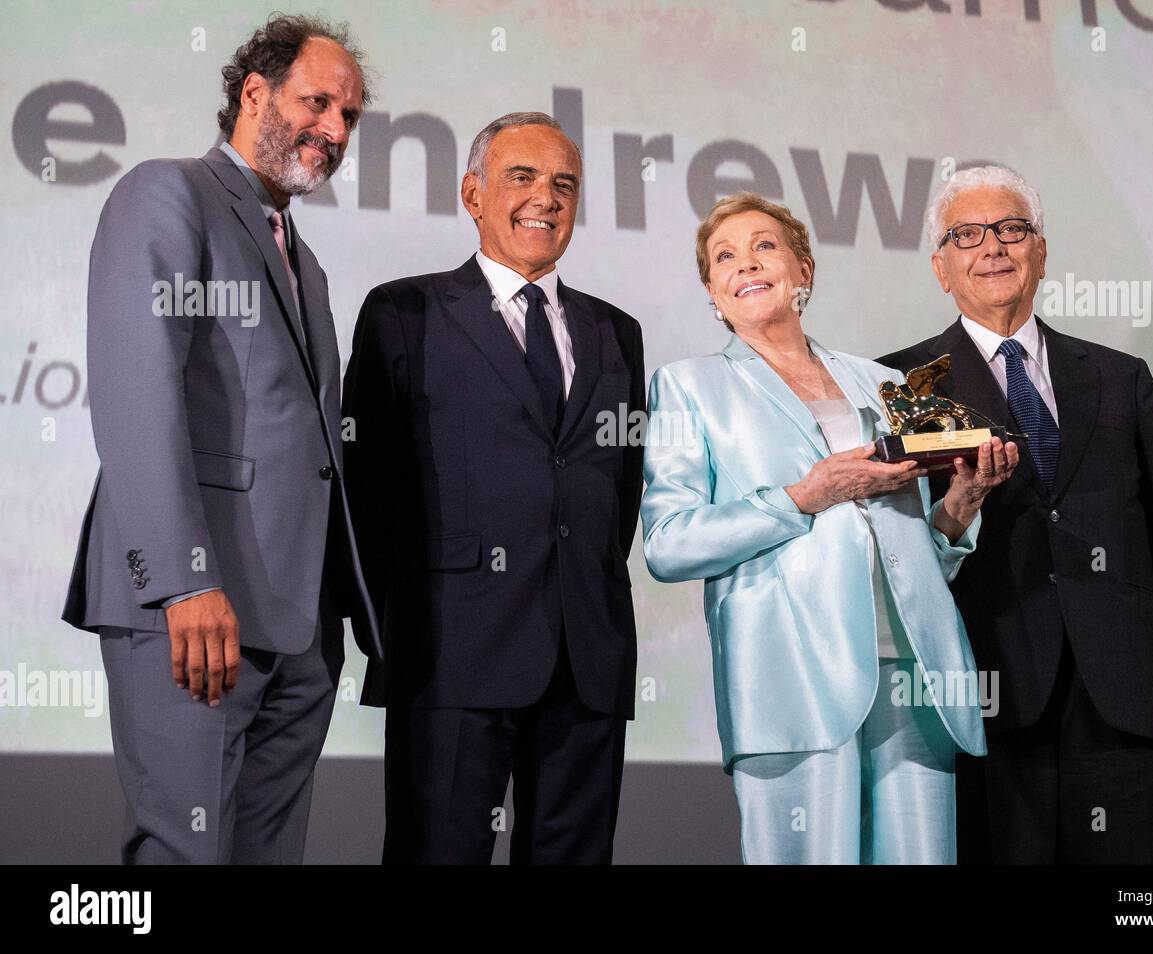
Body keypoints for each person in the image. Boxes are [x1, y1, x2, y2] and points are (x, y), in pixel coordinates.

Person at [62, 15, 380, 863]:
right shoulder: (167, 192)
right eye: (319, 103)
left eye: (350, 117)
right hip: (196, 614)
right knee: (184, 854)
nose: (335, 130)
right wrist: (182, 583)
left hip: (297, 632)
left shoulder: (301, 260)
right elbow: (137, 394)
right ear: (253, 92)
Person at [639, 192, 1016, 864]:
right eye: (724, 256)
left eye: (764, 246)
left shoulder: (880, 383)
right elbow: (669, 543)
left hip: (913, 679)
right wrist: (807, 495)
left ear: (803, 269)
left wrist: (963, 501)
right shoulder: (689, 386)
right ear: (712, 292)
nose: (746, 264)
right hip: (792, 686)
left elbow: (917, 552)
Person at [878, 165, 1153, 864]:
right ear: (941, 269)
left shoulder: (1119, 376)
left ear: (1042, 252)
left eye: (1013, 229)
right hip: (985, 686)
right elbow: (901, 548)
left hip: (1121, 693)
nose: (993, 248)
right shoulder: (904, 383)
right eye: (967, 235)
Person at [343, 112, 645, 865]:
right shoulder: (403, 312)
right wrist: (393, 629)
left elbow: (620, 493)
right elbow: (366, 488)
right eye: (522, 176)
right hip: (447, 656)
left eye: (564, 184)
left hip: (587, 657)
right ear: (472, 195)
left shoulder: (618, 332)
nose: (545, 196)